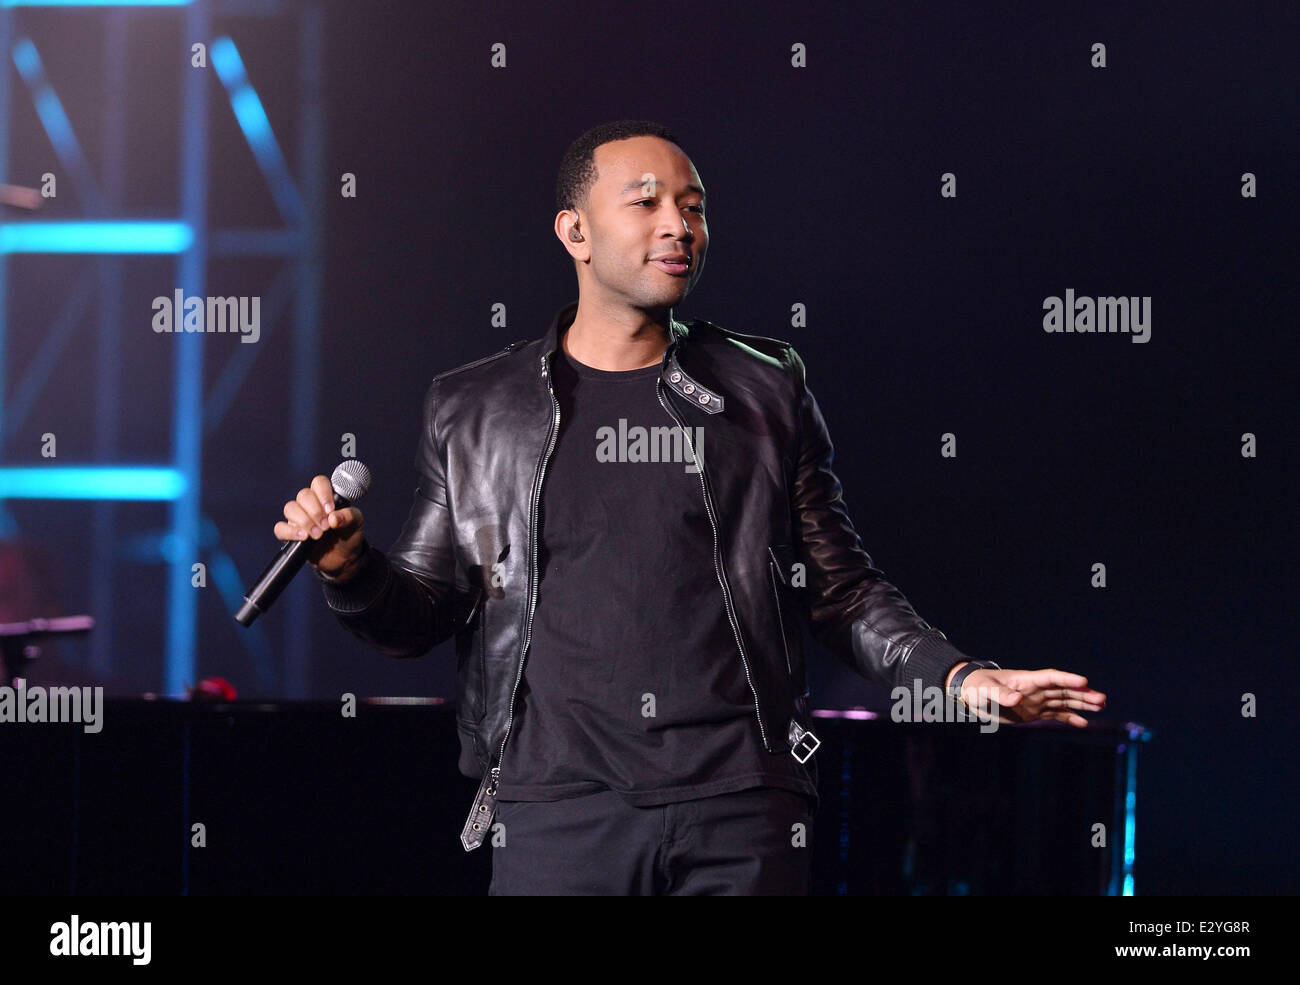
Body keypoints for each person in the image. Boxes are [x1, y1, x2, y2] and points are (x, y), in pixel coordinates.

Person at [273, 119, 1107, 895]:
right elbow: (418, 612)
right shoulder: (475, 407)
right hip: (557, 811)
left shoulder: (764, 386)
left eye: (693, 206)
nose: (678, 224)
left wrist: (957, 675)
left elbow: (842, 589)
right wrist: (350, 568)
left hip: (742, 807)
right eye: (646, 202)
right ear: (576, 232)